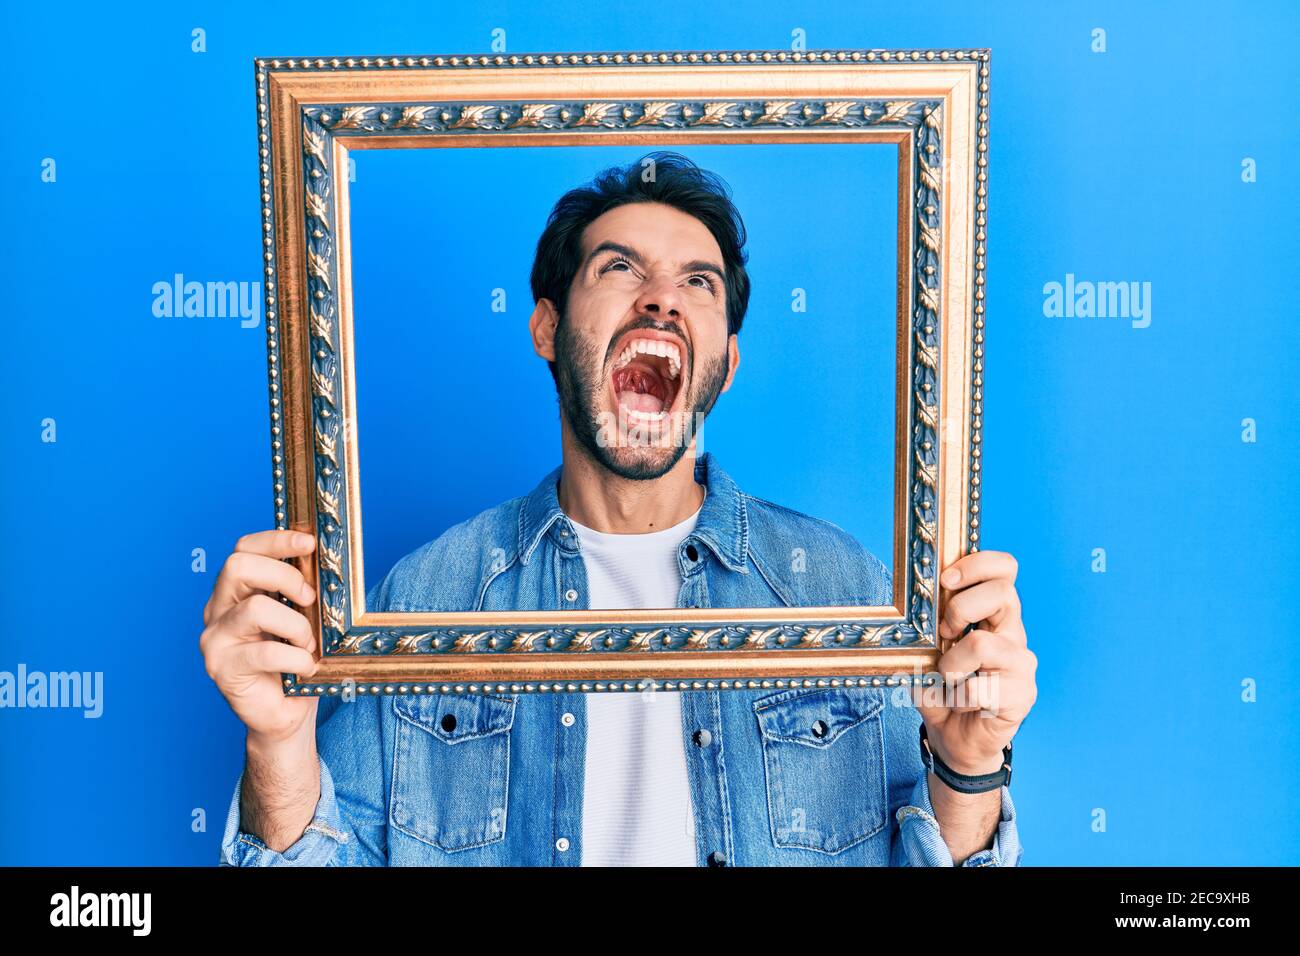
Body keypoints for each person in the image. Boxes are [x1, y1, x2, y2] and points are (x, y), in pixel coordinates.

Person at [202, 152, 1037, 867]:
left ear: (728, 361)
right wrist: (277, 743)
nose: (663, 299)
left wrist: (968, 765)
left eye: (697, 283)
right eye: (620, 267)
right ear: (545, 326)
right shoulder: (425, 595)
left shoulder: (848, 592)